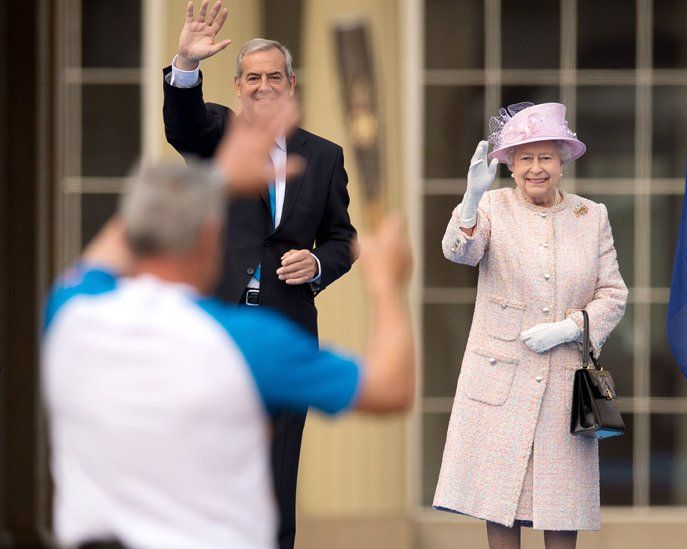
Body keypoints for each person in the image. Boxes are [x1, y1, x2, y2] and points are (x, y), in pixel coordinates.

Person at [41, 111, 413, 547]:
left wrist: (214, 180)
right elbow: (390, 389)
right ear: (209, 238)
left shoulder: (72, 314)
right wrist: (387, 287)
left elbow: (118, 240)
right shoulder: (247, 344)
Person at [160, 2, 357, 545]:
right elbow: (182, 123)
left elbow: (344, 239)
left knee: (276, 470)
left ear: (290, 84)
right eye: (253, 77)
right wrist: (184, 63)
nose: (263, 86)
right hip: (218, 330)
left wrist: (318, 263)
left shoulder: (324, 155)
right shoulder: (216, 133)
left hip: (287, 332)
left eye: (274, 76)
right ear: (238, 84)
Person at [431, 102, 628, 549]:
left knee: (561, 511)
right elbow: (458, 252)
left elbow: (614, 295)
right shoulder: (493, 207)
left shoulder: (590, 215)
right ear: (509, 165)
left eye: (544, 157)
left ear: (562, 160)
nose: (535, 168)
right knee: (501, 506)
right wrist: (470, 200)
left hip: (565, 384)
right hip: (500, 378)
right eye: (524, 158)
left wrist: (572, 327)